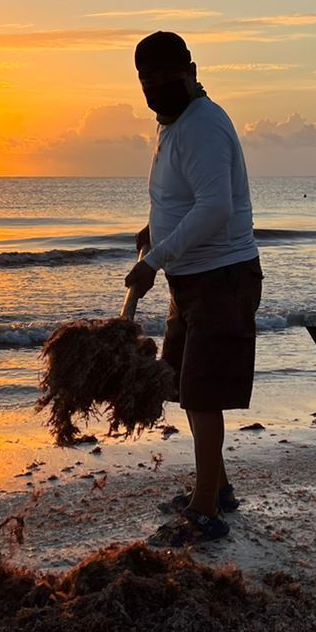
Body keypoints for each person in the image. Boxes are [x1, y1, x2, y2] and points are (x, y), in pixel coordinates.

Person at [124, 31, 262, 546]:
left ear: (192, 70)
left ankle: (206, 511)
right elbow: (181, 195)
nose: (156, 86)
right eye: (147, 79)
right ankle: (218, 488)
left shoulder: (203, 125)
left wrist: (155, 259)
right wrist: (153, 229)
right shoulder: (174, 124)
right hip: (192, 281)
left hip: (220, 278)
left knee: (203, 396)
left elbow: (215, 207)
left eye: (166, 76)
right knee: (185, 385)